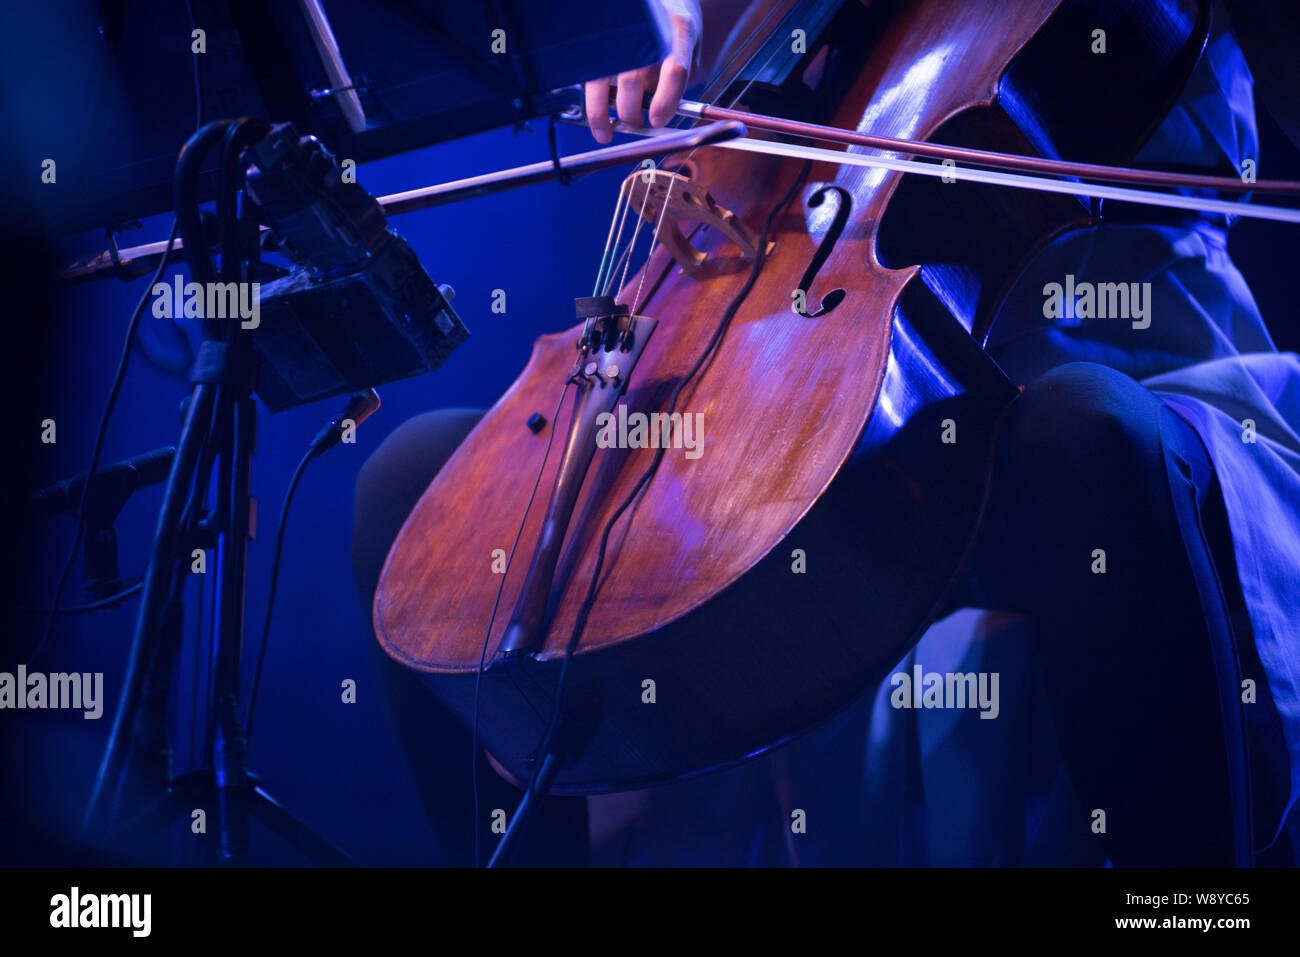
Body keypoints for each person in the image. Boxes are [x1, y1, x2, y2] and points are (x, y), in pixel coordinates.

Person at [352, 0, 1300, 866]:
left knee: (1084, 437)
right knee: (415, 490)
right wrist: (672, 34)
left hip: (1117, 343)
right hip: (770, 358)